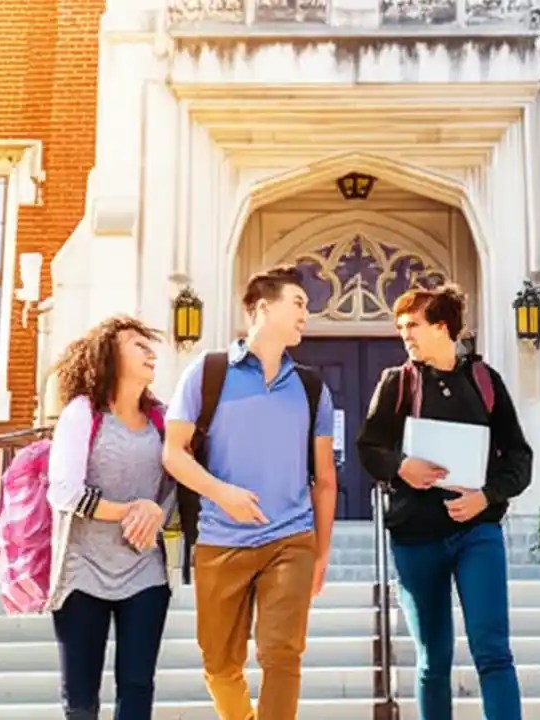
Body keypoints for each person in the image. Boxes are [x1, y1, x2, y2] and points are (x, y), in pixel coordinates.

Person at [162, 264, 336, 720]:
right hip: (221, 540)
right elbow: (174, 453)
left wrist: (320, 550)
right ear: (263, 306)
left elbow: (325, 479)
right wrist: (223, 494)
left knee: (282, 654)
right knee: (220, 663)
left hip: (291, 538)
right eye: (298, 303)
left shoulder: (312, 388)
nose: (307, 313)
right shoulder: (207, 373)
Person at [357, 285, 533, 720]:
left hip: (477, 534)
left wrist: (486, 497)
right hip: (416, 539)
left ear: (442, 327)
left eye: (412, 325)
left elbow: (519, 457)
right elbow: (368, 448)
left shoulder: (485, 381)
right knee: (432, 661)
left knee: (493, 652)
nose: (405, 335)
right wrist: (402, 466)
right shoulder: (397, 383)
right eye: (400, 327)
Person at [44, 315, 176, 720]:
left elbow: (173, 489)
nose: (150, 352)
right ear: (110, 356)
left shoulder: (163, 420)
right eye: (139, 344)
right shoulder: (82, 413)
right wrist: (133, 511)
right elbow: (65, 491)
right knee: (81, 701)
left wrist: (155, 512)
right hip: (82, 571)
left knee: (137, 690)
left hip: (145, 573)